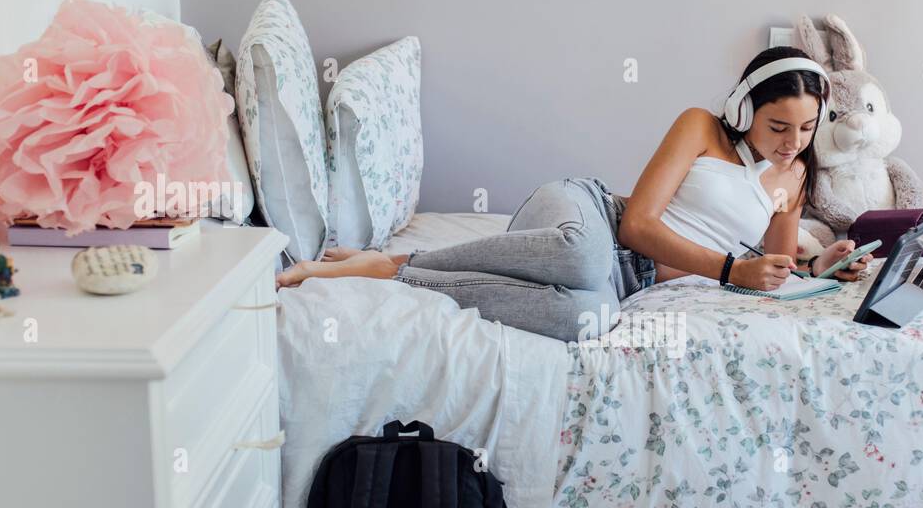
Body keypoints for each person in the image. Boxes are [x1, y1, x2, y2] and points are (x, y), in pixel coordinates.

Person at [275, 46, 870, 341]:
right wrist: (728, 270)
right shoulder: (701, 127)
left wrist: (821, 264)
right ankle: (389, 264)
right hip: (588, 216)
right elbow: (636, 227)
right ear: (745, 109)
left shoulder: (792, 180)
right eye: (778, 127)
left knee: (587, 315)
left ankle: (397, 273)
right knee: (581, 255)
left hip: (621, 281)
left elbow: (779, 265)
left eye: (807, 128)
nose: (794, 143)